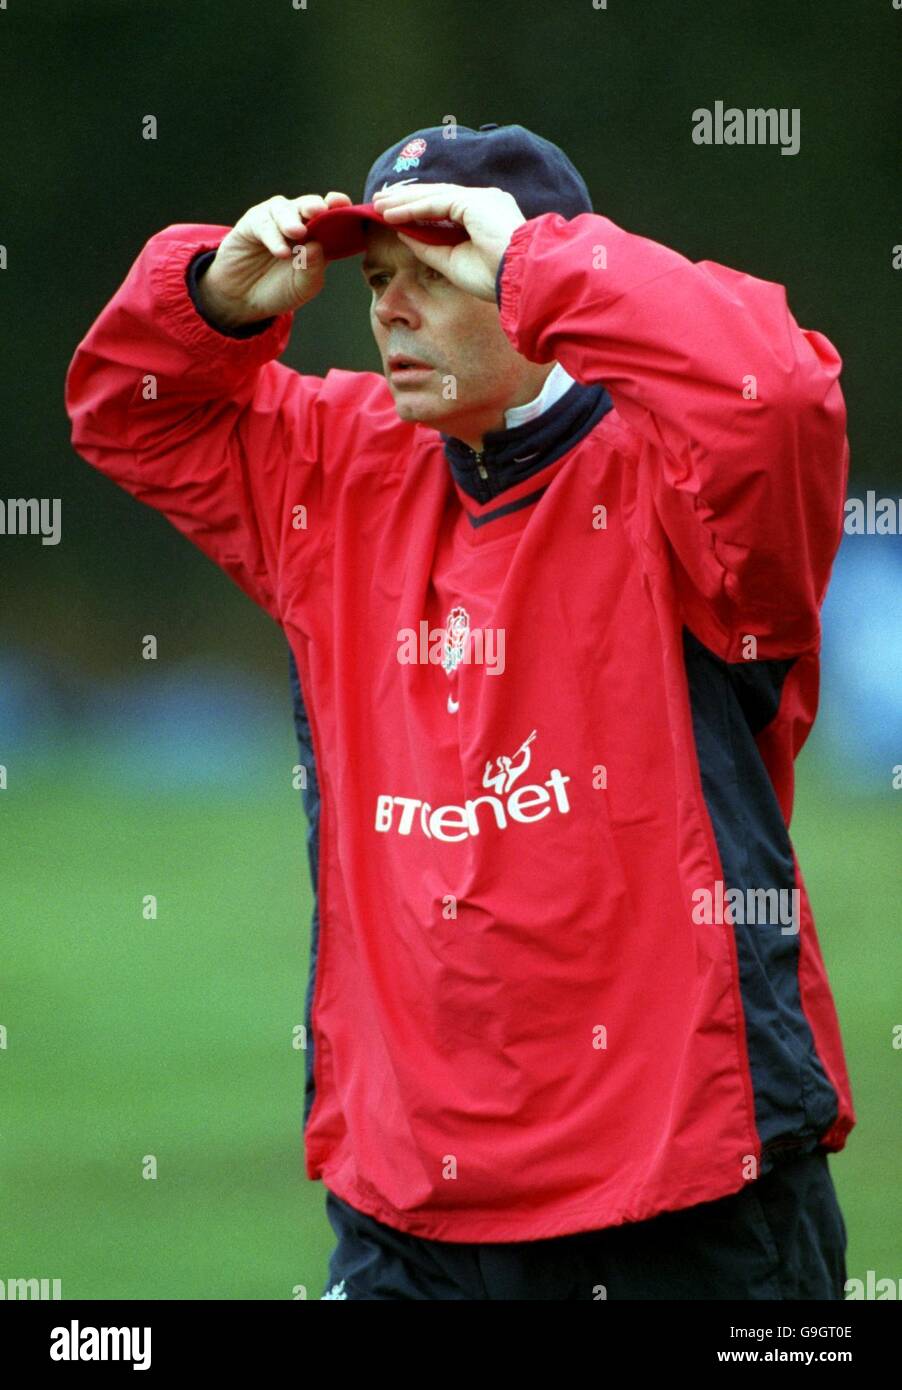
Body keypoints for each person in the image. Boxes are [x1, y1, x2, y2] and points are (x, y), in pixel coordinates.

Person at [65, 122, 855, 1300]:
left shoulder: (673, 482)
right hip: (408, 1203)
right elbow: (132, 413)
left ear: (535, 284)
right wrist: (209, 299)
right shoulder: (338, 466)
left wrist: (549, 262)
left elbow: (779, 399)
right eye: (380, 278)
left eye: (438, 273)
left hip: (685, 1192)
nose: (390, 309)